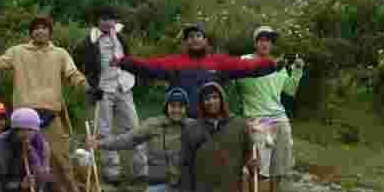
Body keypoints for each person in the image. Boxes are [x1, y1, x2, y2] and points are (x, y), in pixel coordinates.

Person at [0, 14, 87, 192]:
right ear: (31, 32)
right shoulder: (18, 51)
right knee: (20, 158)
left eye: (44, 27)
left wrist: (85, 86)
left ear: (50, 32)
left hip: (50, 114)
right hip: (23, 117)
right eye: (36, 27)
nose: (40, 30)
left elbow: (72, 73)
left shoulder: (60, 53)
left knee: (61, 161)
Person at [118, 23, 278, 116]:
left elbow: (247, 67)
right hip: (182, 120)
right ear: (185, 42)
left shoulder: (218, 62)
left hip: (211, 120)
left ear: (205, 40)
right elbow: (148, 66)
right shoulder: (174, 62)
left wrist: (271, 65)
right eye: (190, 37)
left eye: (198, 36)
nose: (195, 39)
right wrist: (124, 62)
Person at [77, 5, 145, 185]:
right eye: (103, 18)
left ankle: (141, 169)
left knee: (133, 126)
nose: (107, 22)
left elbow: (129, 58)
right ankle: (111, 171)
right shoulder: (88, 41)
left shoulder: (121, 37)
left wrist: (127, 67)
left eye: (111, 18)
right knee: (103, 131)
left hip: (123, 87)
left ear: (115, 21)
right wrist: (91, 86)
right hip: (102, 91)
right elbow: (79, 64)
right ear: (97, 21)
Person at [238, 26, 304, 192]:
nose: (265, 43)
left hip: (279, 117)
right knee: (256, 165)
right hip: (257, 118)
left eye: (269, 40)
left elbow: (290, 91)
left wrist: (297, 71)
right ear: (255, 42)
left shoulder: (279, 66)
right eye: (262, 39)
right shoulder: (245, 61)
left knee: (279, 164)